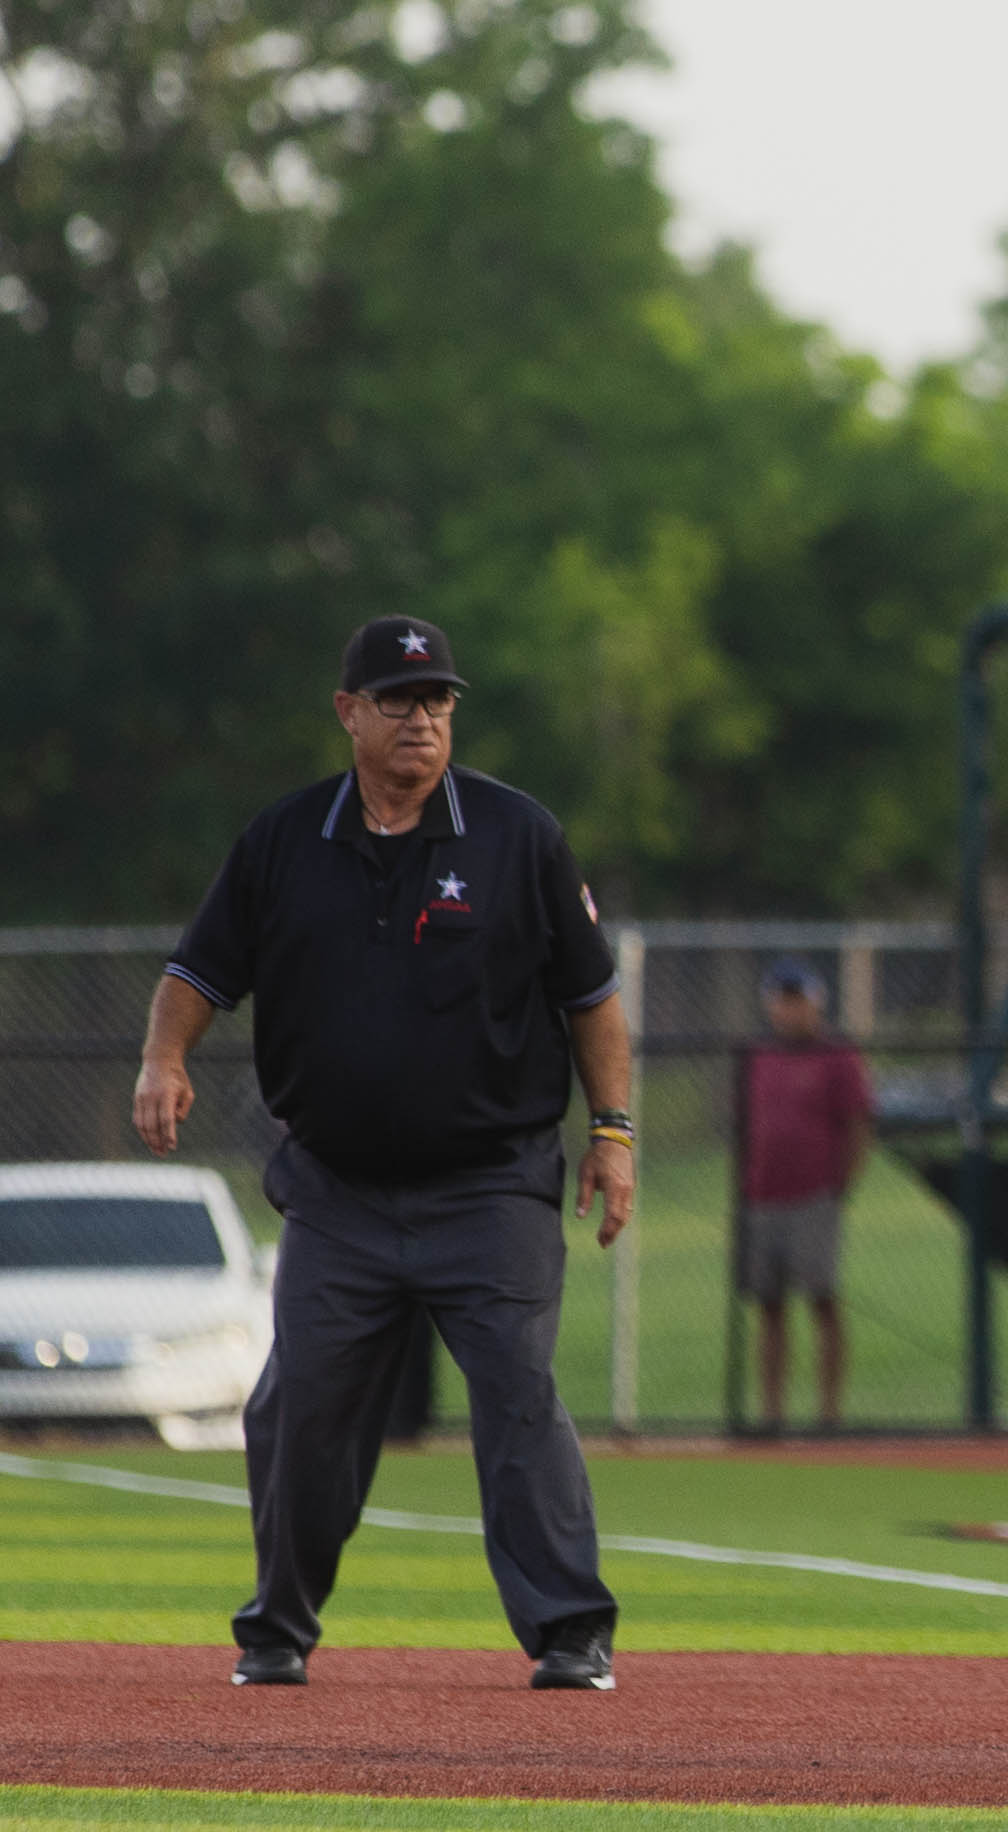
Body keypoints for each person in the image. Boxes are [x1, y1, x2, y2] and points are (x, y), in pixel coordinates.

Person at [133, 615, 633, 1692]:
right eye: (400, 699)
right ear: (348, 711)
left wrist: (613, 1131)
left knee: (516, 1390)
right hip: (338, 1192)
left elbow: (589, 995)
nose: (423, 718)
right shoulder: (283, 841)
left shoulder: (515, 835)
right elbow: (200, 970)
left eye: (439, 700)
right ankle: (279, 1624)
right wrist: (162, 1057)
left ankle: (569, 1631)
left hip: (491, 1183)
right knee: (299, 1404)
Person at [736, 958, 872, 1433]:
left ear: (816, 1002)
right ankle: (771, 1414)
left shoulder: (837, 1055)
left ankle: (829, 1414)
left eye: (799, 1000)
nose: (790, 1010)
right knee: (769, 1307)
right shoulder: (758, 1055)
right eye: (782, 1000)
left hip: (814, 1195)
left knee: (822, 1299)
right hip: (762, 1195)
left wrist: (841, 1186)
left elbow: (858, 1124)